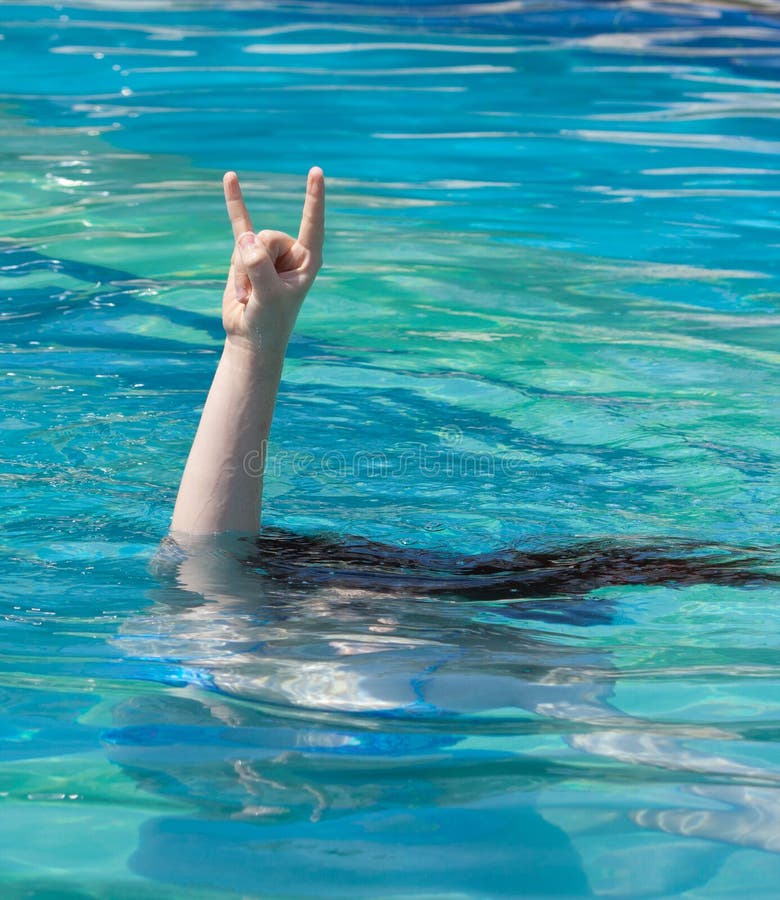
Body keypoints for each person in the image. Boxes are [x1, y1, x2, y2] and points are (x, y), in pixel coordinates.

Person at [168, 168, 772, 596]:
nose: (368, 627)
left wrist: (256, 347)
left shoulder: (528, 668)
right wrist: (254, 342)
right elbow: (206, 567)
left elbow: (206, 572)